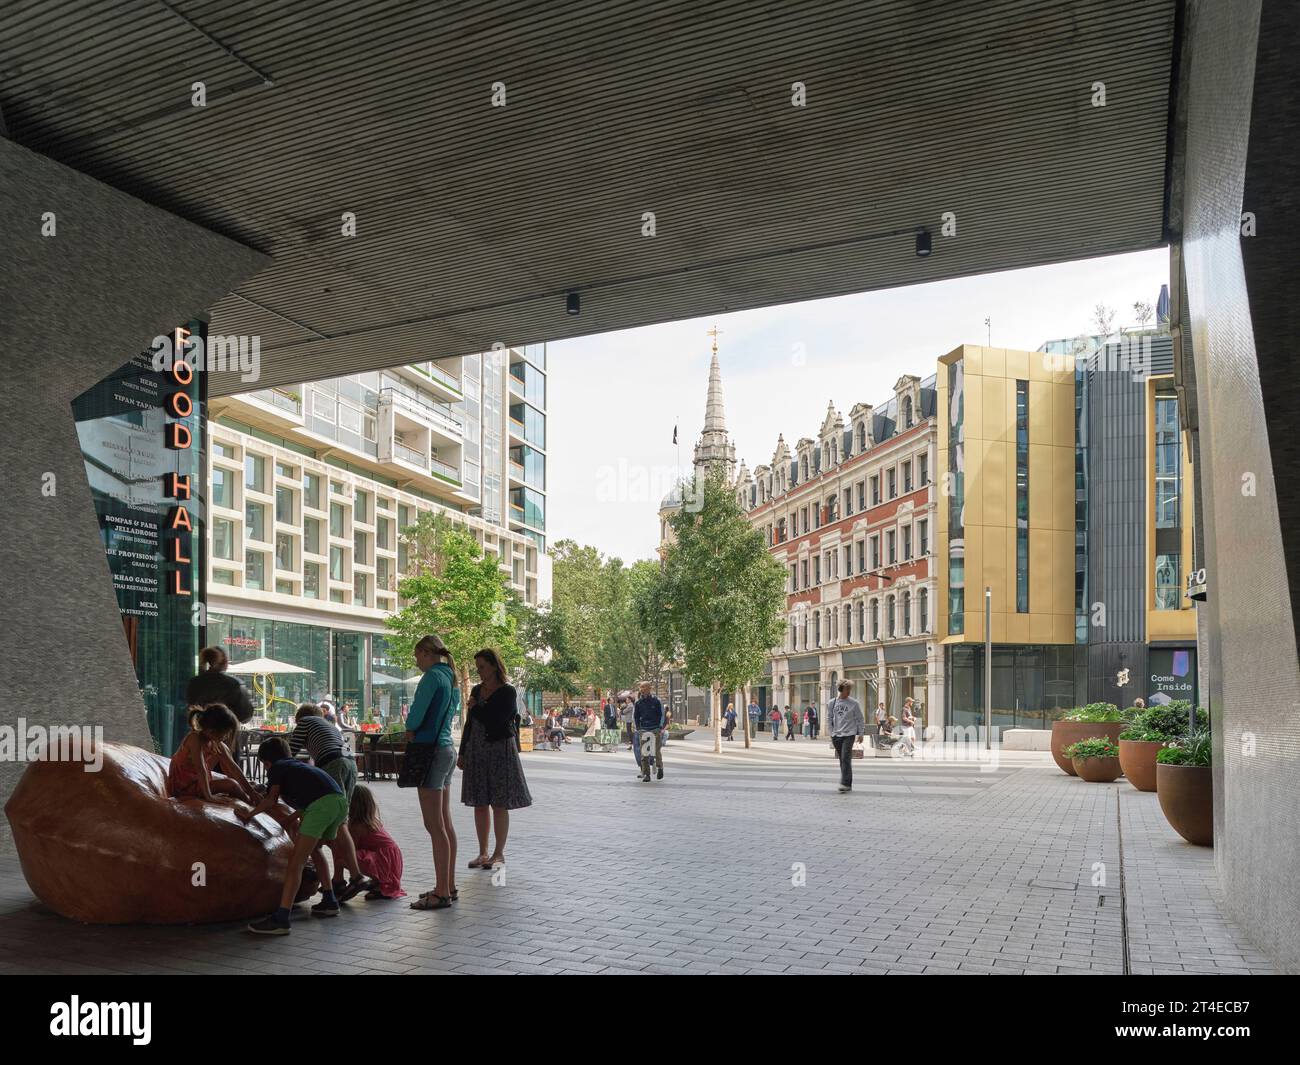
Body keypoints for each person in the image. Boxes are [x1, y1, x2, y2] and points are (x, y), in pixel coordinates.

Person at [241, 736, 350, 935]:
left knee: (296, 861)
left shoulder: (277, 767)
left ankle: (281, 918)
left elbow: (271, 800)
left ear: (266, 762)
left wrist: (248, 815)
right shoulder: (298, 767)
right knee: (315, 851)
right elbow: (310, 800)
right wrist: (289, 821)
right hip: (338, 803)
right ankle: (329, 900)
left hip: (321, 807)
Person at [459, 648, 532, 870]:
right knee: (480, 803)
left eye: (482, 667)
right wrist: (462, 751)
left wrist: (477, 707)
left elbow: (497, 720)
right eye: (477, 667)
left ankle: (498, 853)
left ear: (493, 665)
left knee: (499, 803)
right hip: (477, 749)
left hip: (500, 750)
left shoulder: (508, 692)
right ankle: (483, 852)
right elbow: (470, 723)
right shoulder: (476, 689)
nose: (479, 671)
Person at [289, 703, 366, 902]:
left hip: (333, 764)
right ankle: (343, 879)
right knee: (341, 820)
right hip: (350, 764)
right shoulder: (330, 726)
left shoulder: (304, 723)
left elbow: (288, 752)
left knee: (337, 823)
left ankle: (355, 876)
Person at [406, 634, 460, 911]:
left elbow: (416, 714)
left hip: (429, 751)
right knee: (445, 822)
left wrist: (410, 726)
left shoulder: (431, 678)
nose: (416, 662)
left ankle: (441, 892)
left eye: (417, 656)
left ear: (427, 653)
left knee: (433, 825)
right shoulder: (451, 677)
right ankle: (448, 885)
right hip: (447, 749)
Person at [167, 703, 258, 803]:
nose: (227, 736)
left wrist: (252, 791)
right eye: (226, 733)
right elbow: (200, 768)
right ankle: (249, 802)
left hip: (197, 781)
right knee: (232, 785)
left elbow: (233, 767)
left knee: (223, 752)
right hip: (184, 787)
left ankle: (248, 792)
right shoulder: (194, 739)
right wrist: (209, 797)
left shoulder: (215, 743)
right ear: (212, 731)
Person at [348, 784, 406, 900]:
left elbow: (350, 849)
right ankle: (378, 881)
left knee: (345, 857)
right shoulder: (371, 821)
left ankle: (375, 884)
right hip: (391, 859)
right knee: (359, 855)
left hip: (384, 860)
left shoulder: (357, 827)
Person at [185, 646, 254, 723]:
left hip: (201, 730)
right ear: (225, 662)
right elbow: (245, 716)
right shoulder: (234, 684)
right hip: (225, 731)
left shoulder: (194, 683)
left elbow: (190, 708)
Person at [828, 681, 866, 793]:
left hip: (849, 734)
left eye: (850, 690)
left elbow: (860, 719)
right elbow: (829, 718)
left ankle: (844, 783)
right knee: (842, 759)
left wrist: (861, 733)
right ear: (841, 690)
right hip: (836, 735)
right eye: (847, 689)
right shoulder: (832, 703)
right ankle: (847, 783)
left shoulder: (854, 703)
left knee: (845, 757)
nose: (849, 692)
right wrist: (831, 733)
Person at [633, 680, 665, 781]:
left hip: (655, 728)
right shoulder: (638, 702)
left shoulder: (656, 701)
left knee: (656, 750)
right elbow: (636, 716)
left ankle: (660, 767)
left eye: (643, 687)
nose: (641, 689)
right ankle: (647, 774)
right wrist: (638, 728)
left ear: (649, 688)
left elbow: (661, 714)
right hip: (643, 729)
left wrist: (660, 727)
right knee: (644, 753)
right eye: (640, 687)